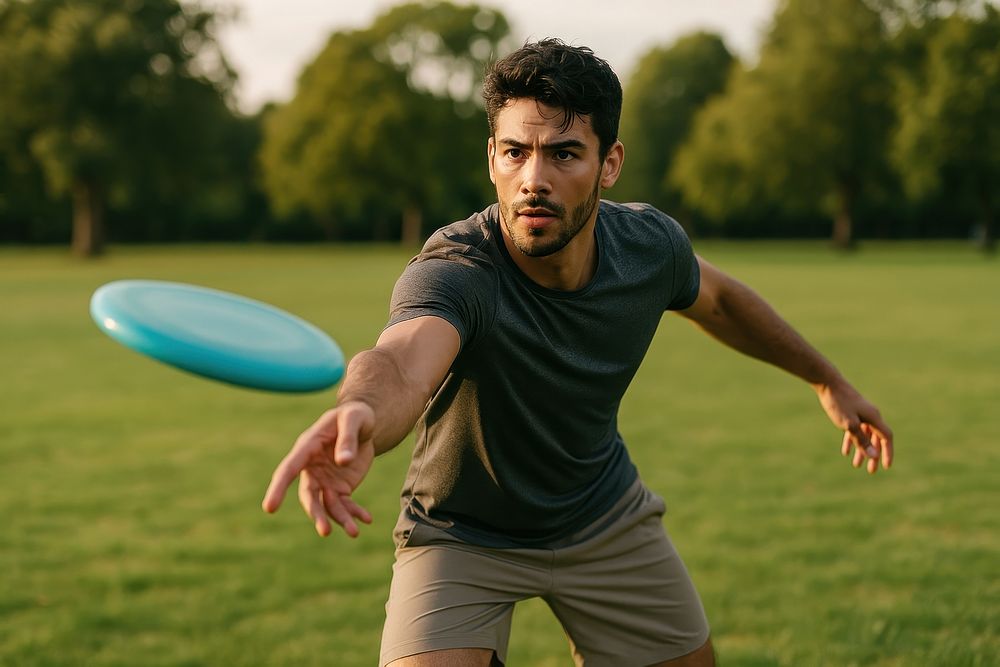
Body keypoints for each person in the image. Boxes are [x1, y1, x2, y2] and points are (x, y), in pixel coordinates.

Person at [261, 39, 894, 667]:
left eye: (564, 154)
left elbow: (722, 301)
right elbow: (402, 361)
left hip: (602, 517)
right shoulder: (458, 269)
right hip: (462, 534)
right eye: (516, 152)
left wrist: (827, 381)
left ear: (609, 162)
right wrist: (362, 412)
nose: (533, 179)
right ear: (491, 158)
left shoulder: (648, 248)